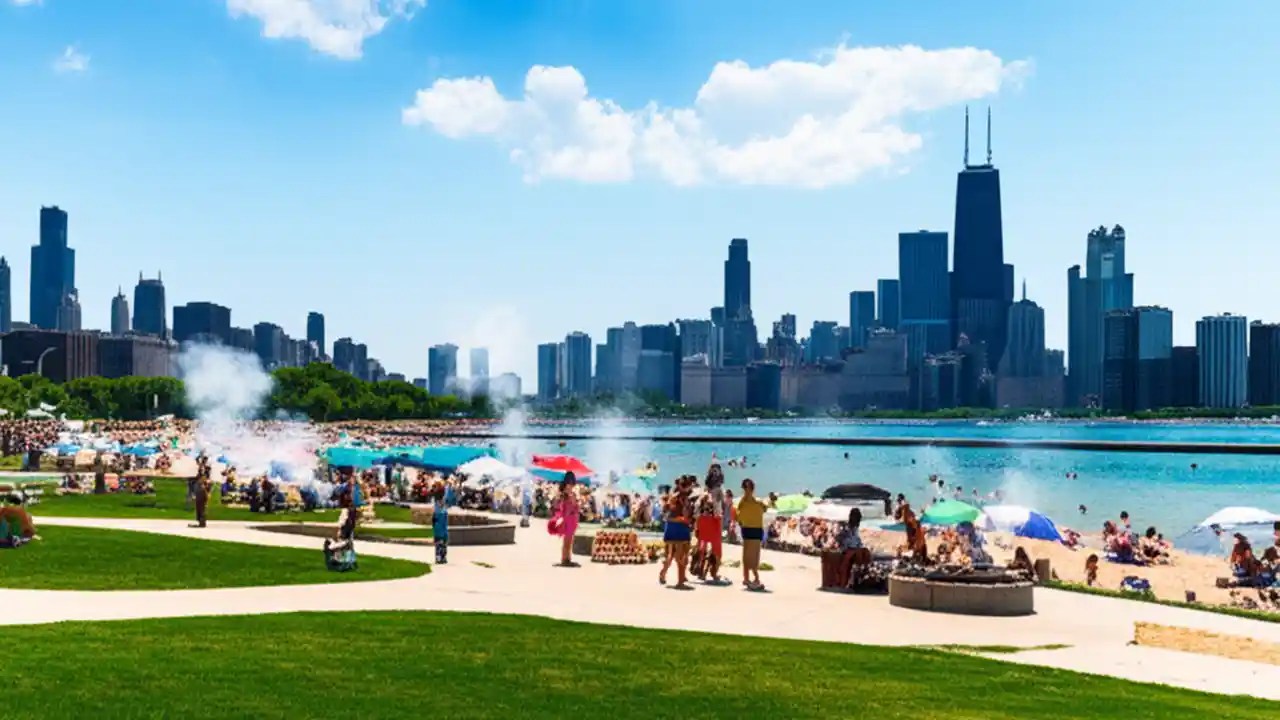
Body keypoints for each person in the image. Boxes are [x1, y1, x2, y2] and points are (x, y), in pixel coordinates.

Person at [659, 476, 695, 588]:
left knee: (673, 554)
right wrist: (681, 519)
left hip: (677, 527)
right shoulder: (678, 498)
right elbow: (667, 515)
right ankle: (680, 581)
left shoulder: (678, 497)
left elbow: (665, 514)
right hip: (677, 527)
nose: (688, 488)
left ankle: (665, 573)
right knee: (680, 554)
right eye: (686, 486)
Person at [736, 478, 767, 591]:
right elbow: (739, 514)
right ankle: (750, 579)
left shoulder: (756, 502)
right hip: (748, 528)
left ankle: (753, 578)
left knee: (753, 556)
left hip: (754, 529)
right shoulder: (746, 502)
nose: (746, 490)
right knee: (747, 556)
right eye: (745, 488)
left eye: (747, 488)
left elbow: (764, 508)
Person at [550, 473, 580, 567]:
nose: (571, 486)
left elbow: (576, 508)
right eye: (569, 484)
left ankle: (568, 558)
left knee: (570, 541)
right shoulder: (563, 496)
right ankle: (564, 559)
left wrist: (574, 502)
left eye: (572, 484)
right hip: (566, 519)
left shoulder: (573, 495)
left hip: (572, 519)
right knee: (566, 541)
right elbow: (561, 508)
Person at [432, 483, 450, 564]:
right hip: (441, 520)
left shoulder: (438, 502)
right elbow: (446, 493)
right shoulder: (440, 501)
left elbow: (445, 493)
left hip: (439, 520)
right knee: (442, 540)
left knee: (440, 540)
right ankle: (441, 557)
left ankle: (440, 557)